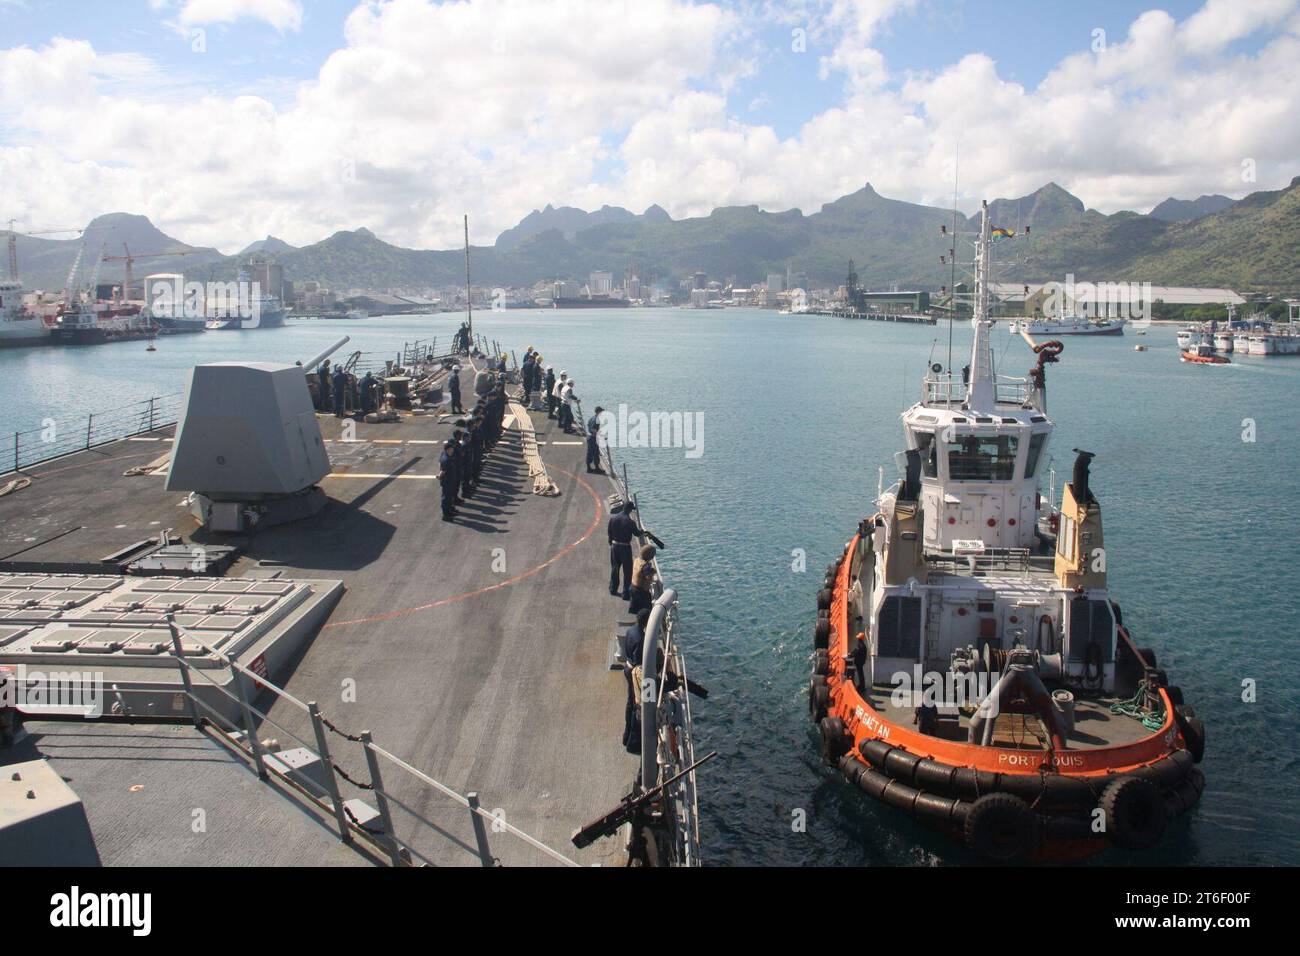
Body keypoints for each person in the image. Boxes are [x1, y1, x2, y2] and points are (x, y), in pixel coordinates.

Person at [607, 501, 640, 598]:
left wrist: (611, 543)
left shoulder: (613, 519)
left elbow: (609, 533)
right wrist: (642, 532)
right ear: (630, 510)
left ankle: (613, 589)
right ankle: (626, 593)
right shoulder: (630, 522)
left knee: (615, 568)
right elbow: (637, 533)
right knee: (627, 571)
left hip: (614, 546)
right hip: (625, 547)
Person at [629, 544, 656, 614]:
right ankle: (644, 621)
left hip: (632, 587)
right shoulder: (646, 565)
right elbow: (647, 577)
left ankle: (636, 618)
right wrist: (653, 572)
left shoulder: (637, 560)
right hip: (641, 591)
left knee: (634, 608)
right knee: (646, 609)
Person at [437, 440, 459, 520]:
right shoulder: (447, 459)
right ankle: (445, 515)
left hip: (450, 480)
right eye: (452, 448)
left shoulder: (445, 454)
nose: (453, 450)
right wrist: (440, 475)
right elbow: (443, 471)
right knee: (446, 498)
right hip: (447, 481)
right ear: (448, 449)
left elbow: (439, 463)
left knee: (449, 497)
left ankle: (449, 510)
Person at [586, 405, 604, 473]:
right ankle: (597, 469)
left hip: (589, 437)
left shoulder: (592, 418)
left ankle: (589, 468)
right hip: (593, 438)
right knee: (595, 453)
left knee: (589, 453)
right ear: (598, 412)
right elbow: (593, 429)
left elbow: (588, 425)